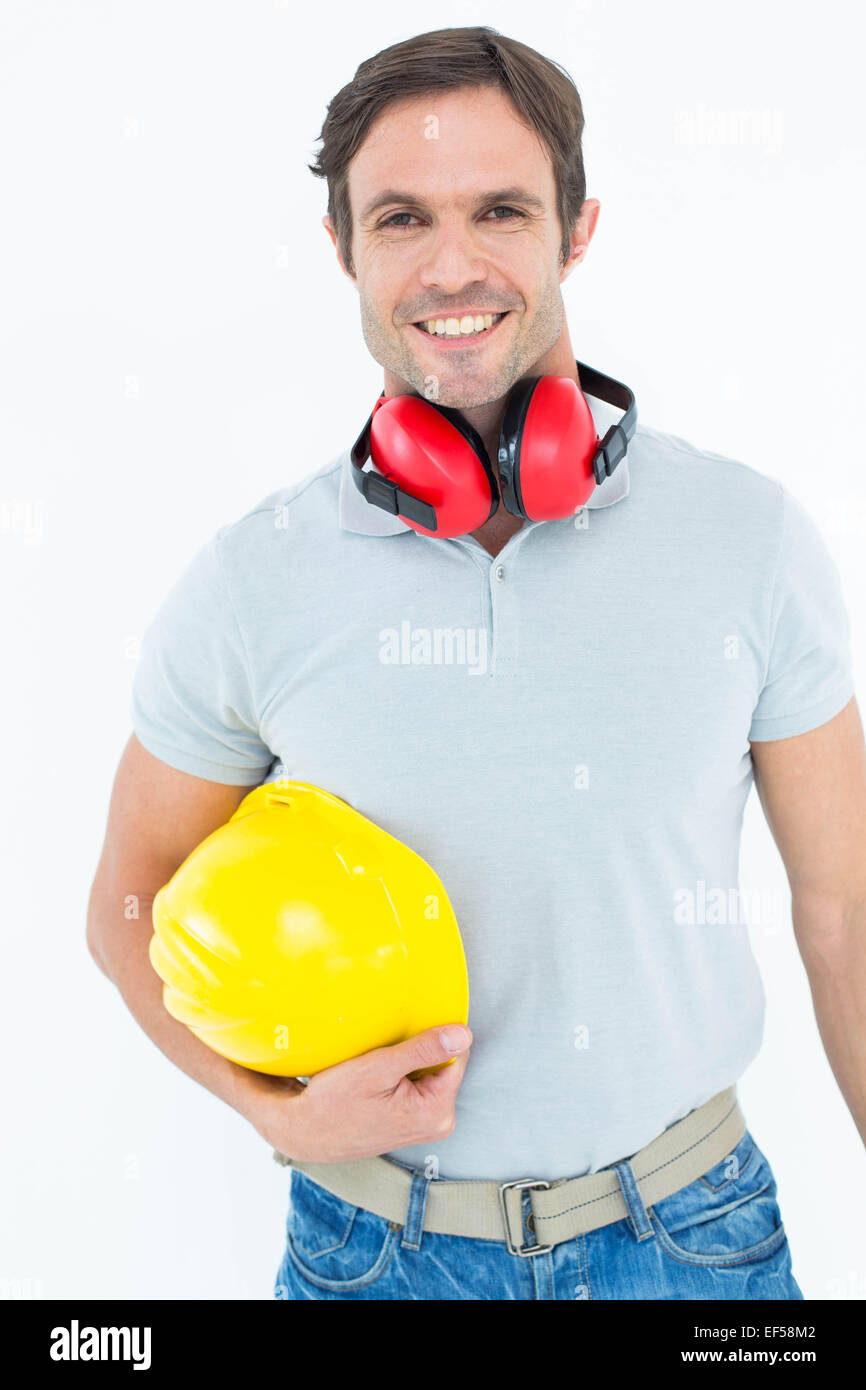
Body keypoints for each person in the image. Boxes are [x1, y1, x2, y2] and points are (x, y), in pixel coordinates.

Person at [86, 26, 866, 1301]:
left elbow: (841, 910)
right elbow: (127, 906)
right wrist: (268, 1114)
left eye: (500, 209)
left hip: (690, 1242)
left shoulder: (750, 539)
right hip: (372, 1252)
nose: (452, 265)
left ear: (575, 229)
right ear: (341, 247)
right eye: (400, 219)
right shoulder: (249, 581)